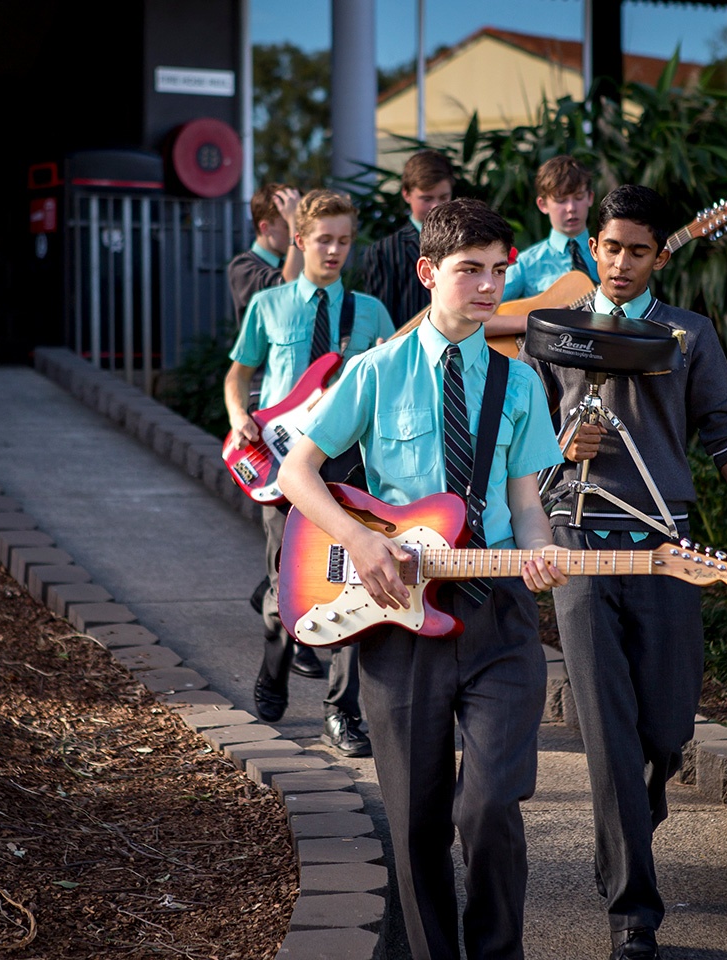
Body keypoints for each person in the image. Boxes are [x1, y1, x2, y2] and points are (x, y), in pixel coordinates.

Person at [278, 197, 569, 960]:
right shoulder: (376, 371)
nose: (489, 285)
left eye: (499, 270)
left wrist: (540, 553)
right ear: (428, 272)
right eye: (471, 269)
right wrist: (357, 541)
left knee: (492, 805)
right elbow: (297, 472)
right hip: (397, 615)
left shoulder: (519, 383)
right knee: (415, 821)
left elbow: (526, 505)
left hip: (498, 612)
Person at [518, 184, 727, 960]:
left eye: (637, 251)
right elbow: (522, 441)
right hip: (579, 541)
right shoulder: (557, 334)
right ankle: (633, 915)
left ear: (659, 257)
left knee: (667, 732)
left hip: (667, 548)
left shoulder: (688, 335)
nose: (620, 263)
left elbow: (726, 440)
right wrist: (558, 449)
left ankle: (634, 819)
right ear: (593, 248)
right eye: (610, 248)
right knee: (608, 735)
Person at [224, 188, 394, 756]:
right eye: (324, 240)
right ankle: (274, 663)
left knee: (353, 583)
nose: (335, 250)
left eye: (344, 240)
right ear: (299, 240)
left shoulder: (370, 312)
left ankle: (341, 712)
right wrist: (239, 416)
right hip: (281, 463)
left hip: (350, 465)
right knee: (284, 589)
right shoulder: (268, 305)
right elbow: (237, 374)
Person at [226, 181, 321, 679]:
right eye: (293, 227)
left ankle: (277, 598)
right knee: (281, 536)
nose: (303, 238)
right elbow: (285, 285)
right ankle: (285, 626)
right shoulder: (245, 267)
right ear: (269, 228)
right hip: (271, 422)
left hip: (309, 418)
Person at [486, 154, 599, 341]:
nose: (571, 208)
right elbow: (471, 319)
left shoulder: (609, 258)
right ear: (542, 204)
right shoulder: (526, 263)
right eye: (561, 200)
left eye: (579, 197)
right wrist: (532, 322)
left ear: (590, 198)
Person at [361, 149, 455, 328]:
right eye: (426, 199)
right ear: (406, 194)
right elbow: (382, 320)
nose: (436, 206)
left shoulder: (465, 242)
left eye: (444, 197)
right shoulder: (384, 252)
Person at [227, 182, 304, 327]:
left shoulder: (299, 260)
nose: (301, 235)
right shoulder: (242, 267)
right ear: (265, 228)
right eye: (289, 226)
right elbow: (289, 288)